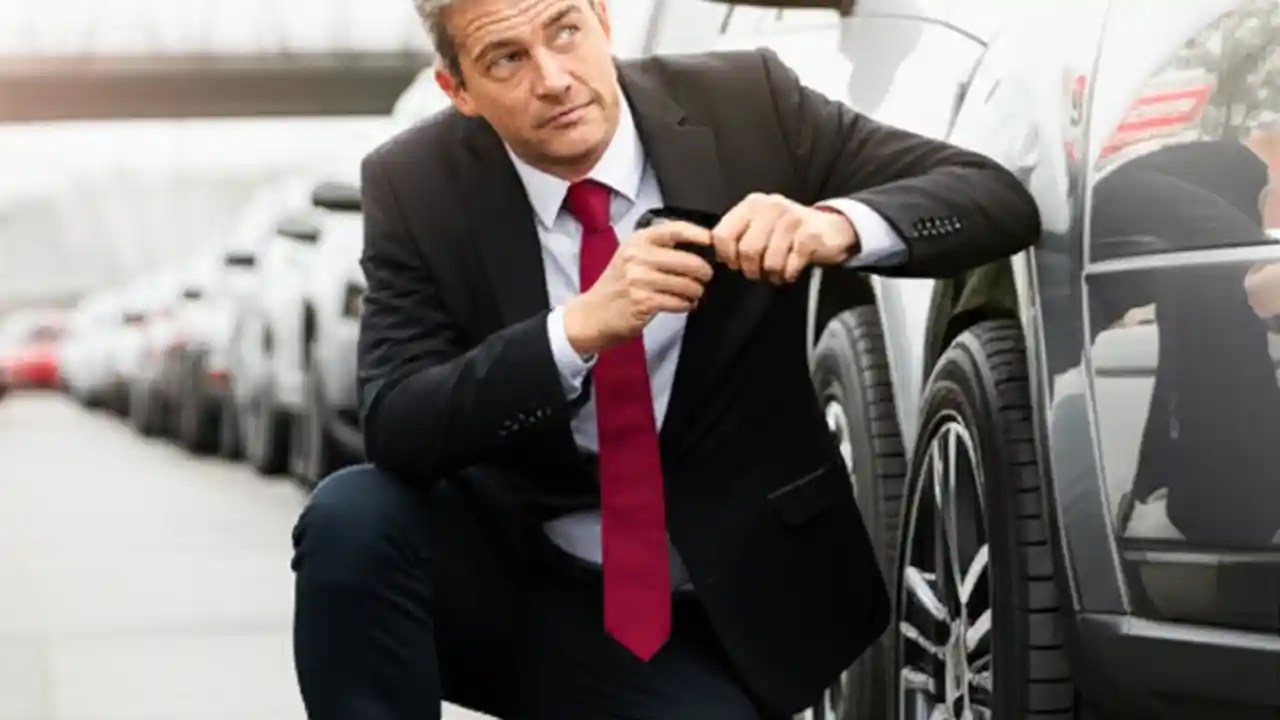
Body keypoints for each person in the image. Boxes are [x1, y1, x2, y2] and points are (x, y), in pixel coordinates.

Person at [288, 0, 1041, 717]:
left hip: (701, 609)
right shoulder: (415, 183)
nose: (552, 78)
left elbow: (990, 197)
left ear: (603, 19)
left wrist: (833, 227)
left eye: (565, 30)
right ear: (460, 90)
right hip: (513, 586)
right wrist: (573, 333)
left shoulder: (746, 104)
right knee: (352, 518)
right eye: (506, 58)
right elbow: (396, 419)